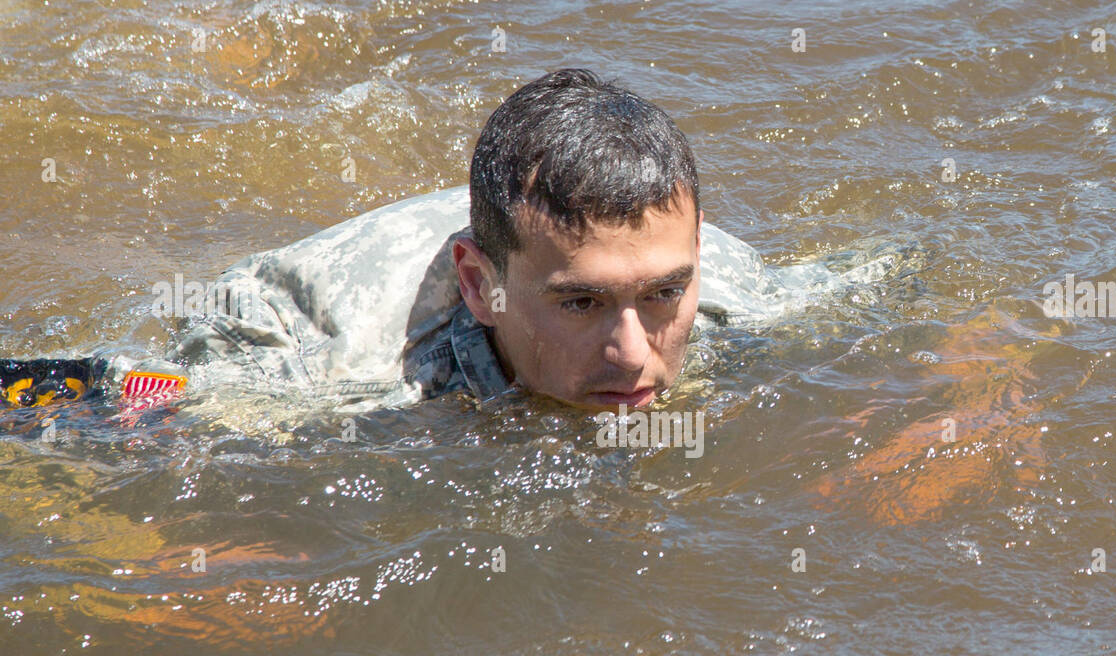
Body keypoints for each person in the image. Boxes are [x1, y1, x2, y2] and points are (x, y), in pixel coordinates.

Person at [3, 69, 826, 415]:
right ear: (479, 286)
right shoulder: (324, 354)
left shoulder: (719, 286)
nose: (633, 354)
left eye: (660, 296)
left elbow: (902, 291)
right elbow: (94, 395)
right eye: (581, 303)